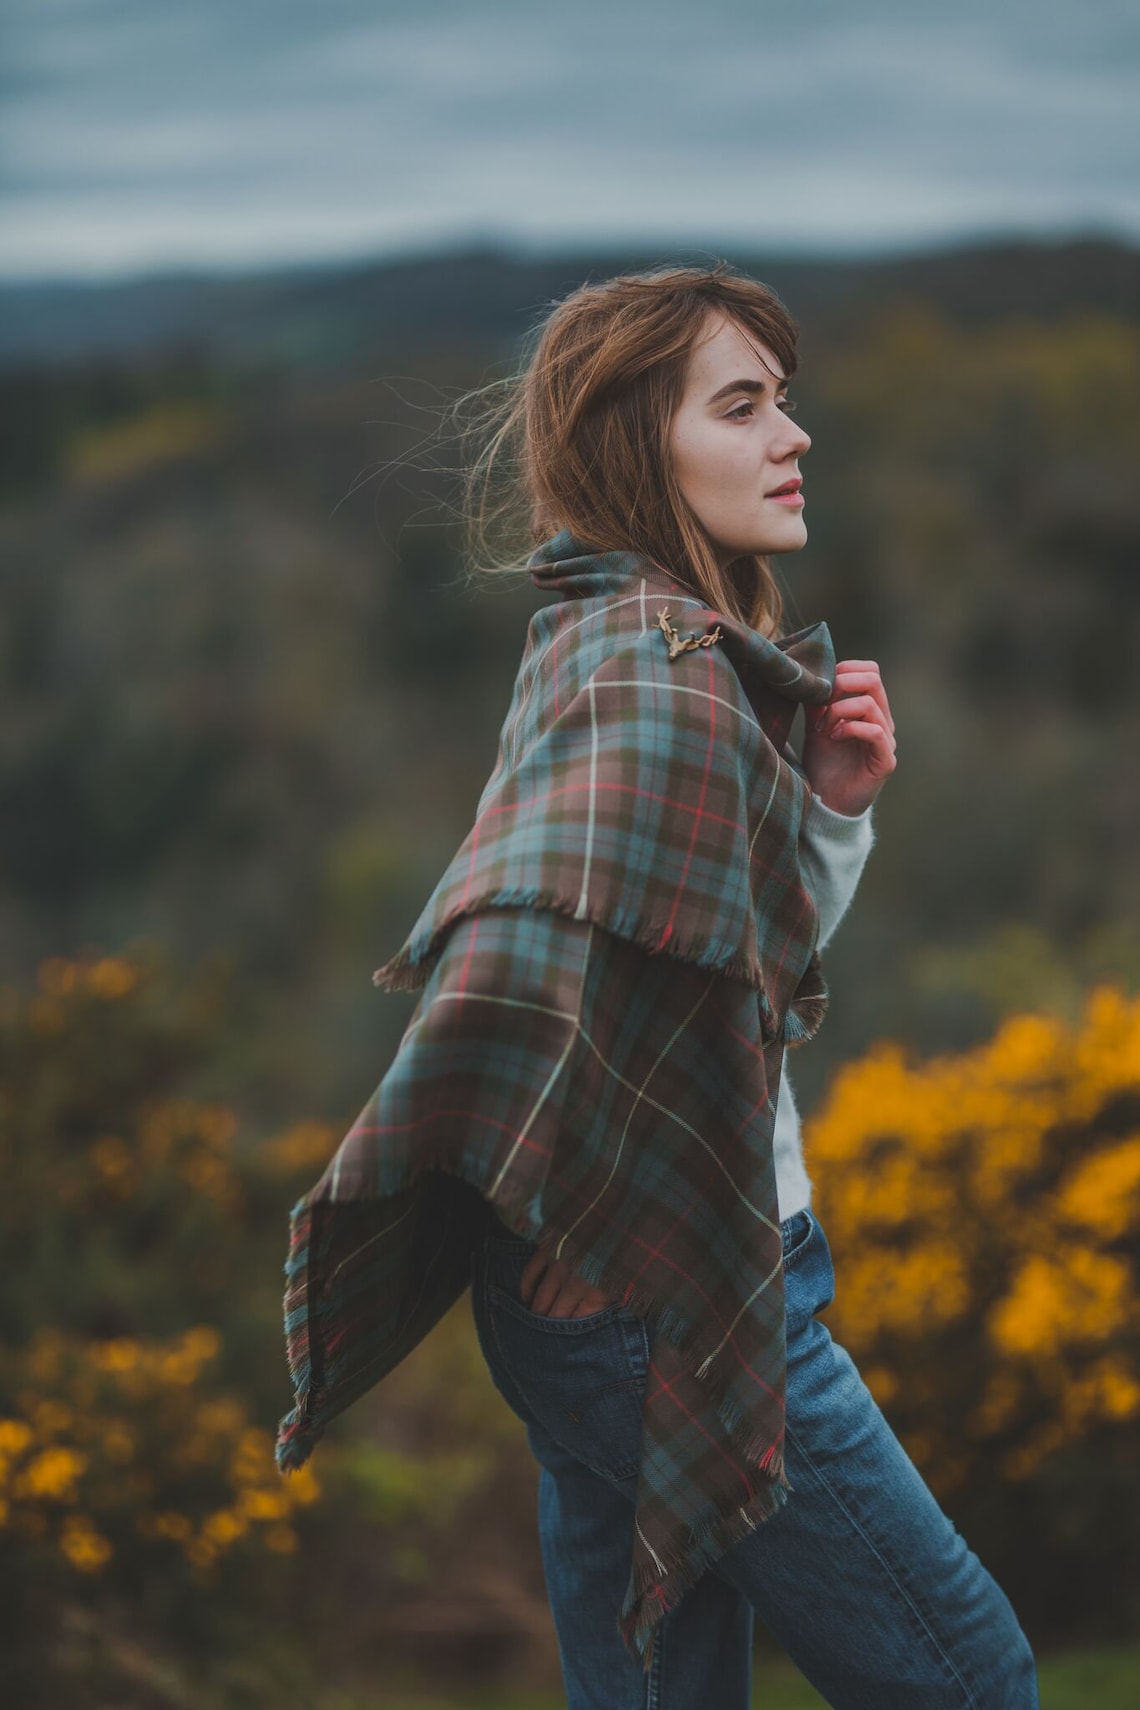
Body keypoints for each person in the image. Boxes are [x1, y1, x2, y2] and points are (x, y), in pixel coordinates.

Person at [276, 265, 1040, 1708]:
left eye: (782, 401)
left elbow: (715, 968)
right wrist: (583, 1206)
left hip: (606, 1293)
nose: (791, 436)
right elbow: (516, 959)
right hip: (678, 1290)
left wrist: (827, 812)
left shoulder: (610, 632)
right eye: (740, 407)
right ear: (640, 443)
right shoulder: (660, 675)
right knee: (972, 1678)